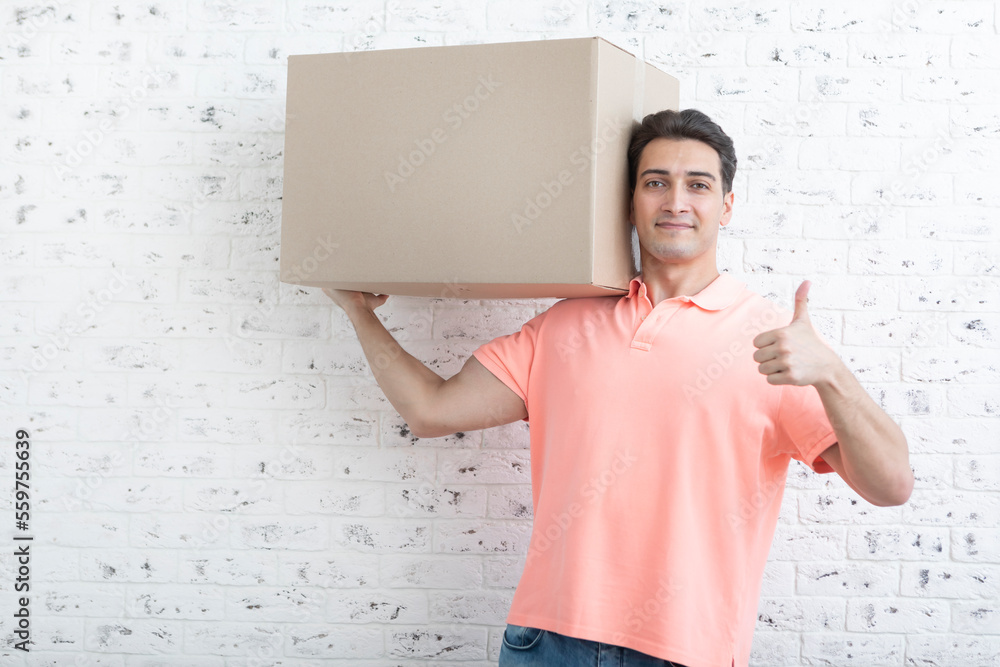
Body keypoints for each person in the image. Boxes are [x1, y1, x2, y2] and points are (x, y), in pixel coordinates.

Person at [324, 109, 914, 667]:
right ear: (630, 202)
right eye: (655, 182)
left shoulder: (774, 344)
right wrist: (358, 313)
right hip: (547, 641)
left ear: (727, 205)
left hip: (687, 649)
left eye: (698, 185)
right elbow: (430, 410)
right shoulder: (565, 325)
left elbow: (890, 486)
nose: (676, 201)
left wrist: (834, 372)